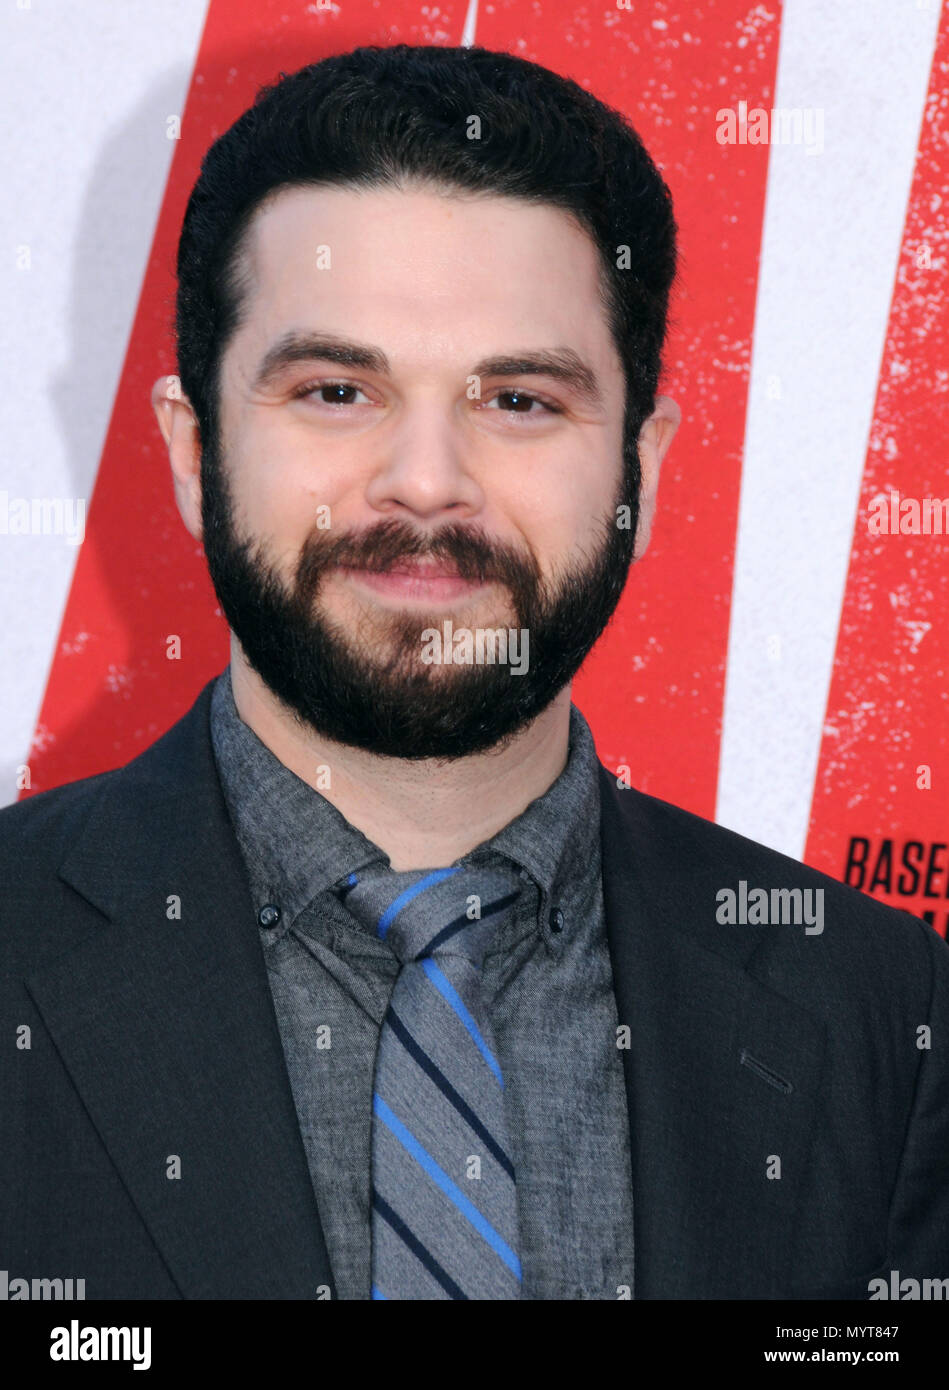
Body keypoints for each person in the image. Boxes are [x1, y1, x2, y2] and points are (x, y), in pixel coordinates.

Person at [1, 43, 946, 1302]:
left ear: (642, 474)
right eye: (337, 389)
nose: (428, 480)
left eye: (518, 402)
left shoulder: (882, 1007)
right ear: (192, 451)